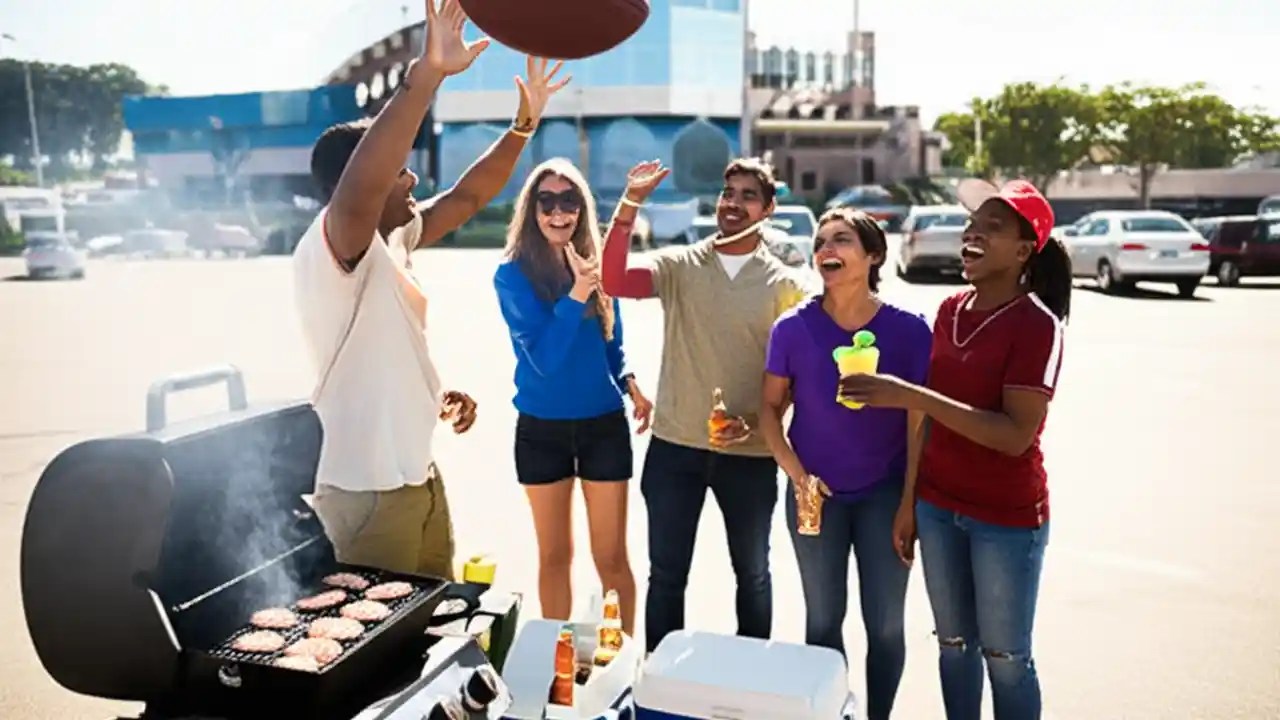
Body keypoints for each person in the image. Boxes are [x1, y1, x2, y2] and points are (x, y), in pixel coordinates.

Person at [292, 0, 568, 578]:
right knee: (374, 652)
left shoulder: (394, 240)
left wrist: (524, 127)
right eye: (399, 170)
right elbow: (362, 191)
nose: (413, 177)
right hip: (367, 492)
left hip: (417, 476)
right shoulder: (335, 246)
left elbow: (468, 197)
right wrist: (427, 76)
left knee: (430, 628)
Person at [839, 178, 1071, 720]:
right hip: (938, 508)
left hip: (1005, 517)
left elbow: (1014, 435)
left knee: (1006, 656)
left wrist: (907, 393)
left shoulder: (1038, 325)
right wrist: (910, 501)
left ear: (1023, 250)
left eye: (993, 226)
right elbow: (925, 420)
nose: (973, 233)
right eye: (973, 223)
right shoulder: (950, 310)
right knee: (953, 645)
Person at [601, 157, 808, 653]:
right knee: (667, 577)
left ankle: (748, 679)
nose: (733, 203)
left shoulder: (786, 285)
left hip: (752, 457)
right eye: (727, 192)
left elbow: (799, 377)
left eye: (747, 195)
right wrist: (630, 204)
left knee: (753, 575)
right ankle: (661, 681)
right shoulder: (680, 266)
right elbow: (613, 280)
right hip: (675, 450)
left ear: (769, 208)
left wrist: (760, 421)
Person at [758, 208, 931, 720]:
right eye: (821, 241)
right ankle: (831, 713)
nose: (827, 249)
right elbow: (768, 407)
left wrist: (909, 503)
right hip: (816, 497)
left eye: (842, 240)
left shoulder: (909, 332)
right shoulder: (791, 328)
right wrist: (797, 475)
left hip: (885, 495)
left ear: (873, 255)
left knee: (884, 625)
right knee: (822, 621)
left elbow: (920, 421)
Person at [493, 157, 653, 636]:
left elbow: (611, 340)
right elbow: (543, 358)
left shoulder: (599, 266)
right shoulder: (512, 276)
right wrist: (577, 293)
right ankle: (555, 660)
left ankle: (623, 659)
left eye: (569, 202)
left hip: (603, 424)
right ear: (531, 210)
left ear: (582, 209)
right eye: (547, 202)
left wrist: (628, 380)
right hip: (541, 429)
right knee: (555, 556)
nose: (558, 213)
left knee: (612, 559)